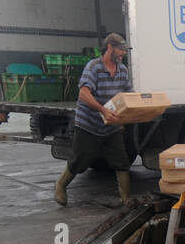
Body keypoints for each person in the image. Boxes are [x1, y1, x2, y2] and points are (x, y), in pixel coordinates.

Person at [54, 33, 134, 207]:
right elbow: (84, 93)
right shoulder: (94, 67)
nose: (123, 54)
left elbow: (127, 95)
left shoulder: (122, 70)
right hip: (88, 124)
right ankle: (60, 185)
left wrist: (132, 112)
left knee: (121, 161)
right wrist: (103, 110)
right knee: (80, 159)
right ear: (110, 48)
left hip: (111, 126)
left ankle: (126, 199)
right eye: (120, 50)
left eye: (124, 51)